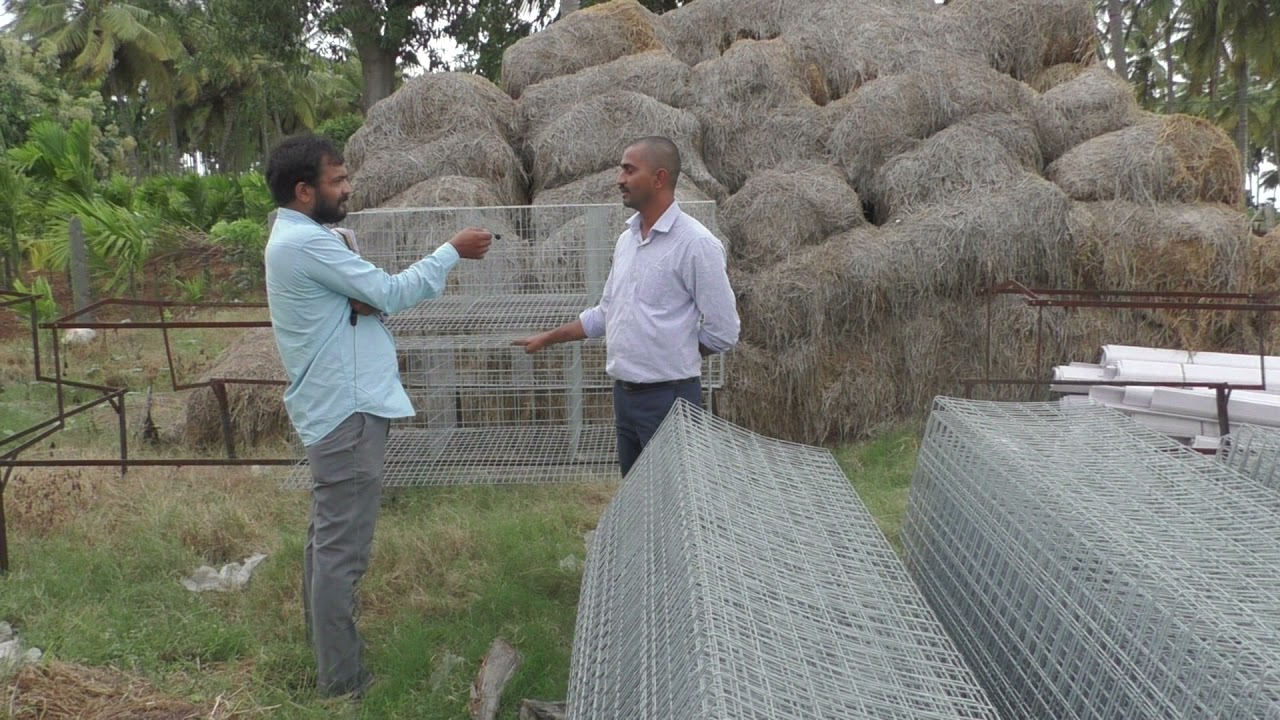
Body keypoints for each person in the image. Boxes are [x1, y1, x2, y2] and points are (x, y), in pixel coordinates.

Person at [263, 134, 492, 699]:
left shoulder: (302, 239)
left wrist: (362, 296)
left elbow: (364, 297)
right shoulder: (308, 245)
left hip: (337, 406)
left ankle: (327, 655)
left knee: (325, 539)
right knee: (342, 550)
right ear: (303, 190)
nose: (347, 189)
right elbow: (387, 292)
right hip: (348, 410)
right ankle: (342, 683)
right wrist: (451, 251)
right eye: (337, 181)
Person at [514, 136, 739, 476]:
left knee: (671, 500)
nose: (619, 179)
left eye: (629, 170)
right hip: (626, 397)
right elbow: (606, 313)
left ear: (659, 178)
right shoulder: (626, 241)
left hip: (670, 400)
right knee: (636, 500)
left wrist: (675, 352)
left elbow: (724, 330)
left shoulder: (696, 244)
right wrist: (547, 338)